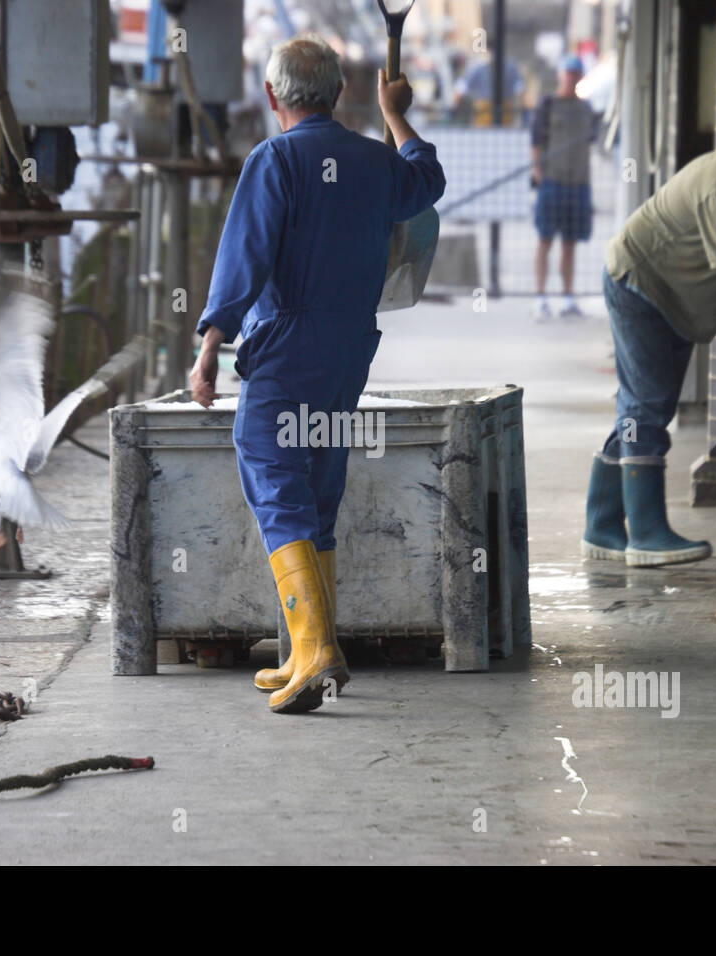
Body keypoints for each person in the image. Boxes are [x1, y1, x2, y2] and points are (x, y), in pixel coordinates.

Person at [188, 36, 446, 714]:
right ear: (339, 95)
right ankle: (309, 647)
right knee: (318, 480)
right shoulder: (372, 161)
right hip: (349, 347)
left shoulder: (274, 160)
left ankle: (315, 646)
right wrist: (395, 115)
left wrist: (212, 340)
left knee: (272, 473)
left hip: (288, 345)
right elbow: (427, 180)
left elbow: (244, 256)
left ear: (273, 98)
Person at [583, 143, 716, 567]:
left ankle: (602, 527)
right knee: (646, 407)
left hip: (669, 296)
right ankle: (646, 534)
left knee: (644, 406)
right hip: (642, 284)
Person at [530, 55, 595, 321]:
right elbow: (535, 142)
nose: (570, 77)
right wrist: (539, 175)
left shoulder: (586, 109)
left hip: (578, 183)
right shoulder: (547, 106)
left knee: (570, 243)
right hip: (552, 182)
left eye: (575, 73)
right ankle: (540, 296)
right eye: (567, 73)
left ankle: (568, 297)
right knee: (545, 239)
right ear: (560, 75)